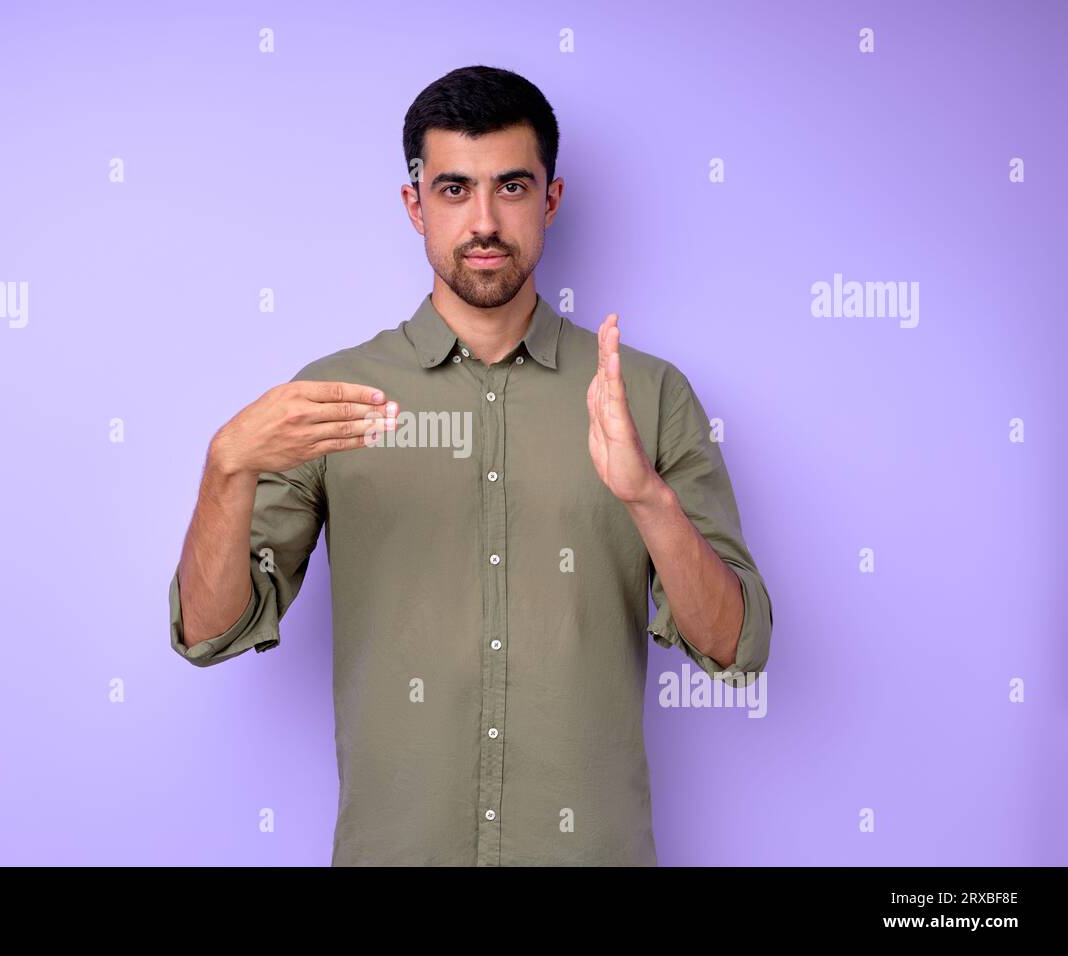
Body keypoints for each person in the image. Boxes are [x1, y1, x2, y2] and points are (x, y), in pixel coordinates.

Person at [168, 64, 773, 866]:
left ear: (550, 200)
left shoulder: (646, 396)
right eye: (454, 189)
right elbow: (209, 634)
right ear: (415, 205)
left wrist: (645, 497)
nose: (484, 220)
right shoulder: (329, 400)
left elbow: (736, 648)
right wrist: (225, 471)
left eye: (511, 188)